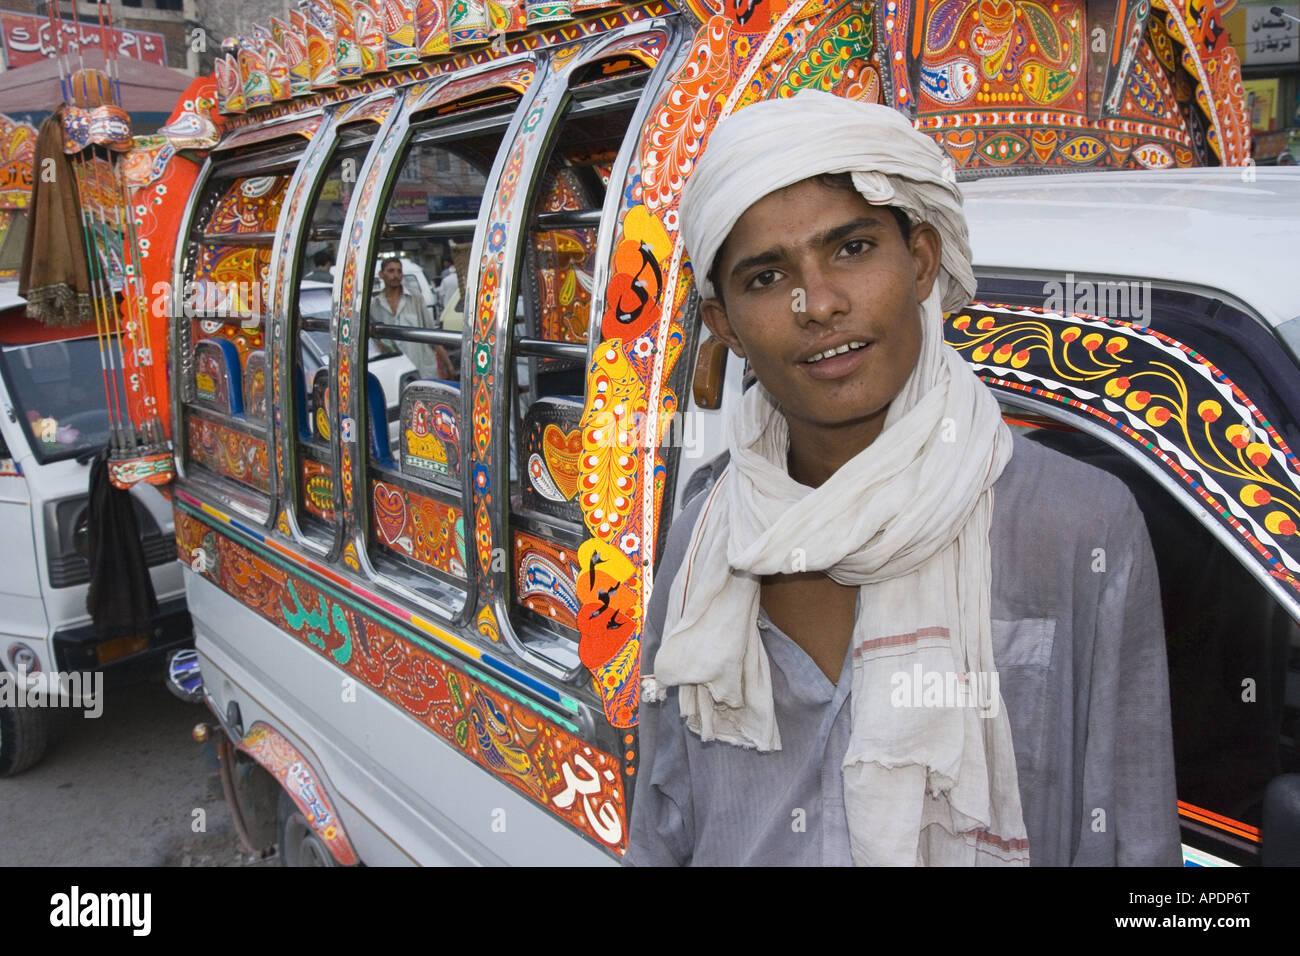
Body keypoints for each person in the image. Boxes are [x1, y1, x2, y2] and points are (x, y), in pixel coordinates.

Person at [625, 92, 1181, 866]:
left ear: (920, 261)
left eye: (850, 249)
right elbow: (664, 831)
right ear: (726, 328)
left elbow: (1132, 838)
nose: (816, 303)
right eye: (764, 278)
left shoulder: (1075, 525)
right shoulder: (704, 539)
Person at [371, 255, 448, 380]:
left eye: (399, 271)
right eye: (391, 271)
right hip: (396, 372)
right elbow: (378, 342)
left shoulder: (415, 298)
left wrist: (448, 364)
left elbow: (430, 332)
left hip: (422, 368)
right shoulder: (376, 305)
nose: (395, 275)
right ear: (381, 274)